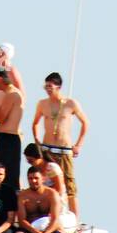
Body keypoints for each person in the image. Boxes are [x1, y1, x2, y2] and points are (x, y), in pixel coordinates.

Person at [31, 71, 89, 217]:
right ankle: (46, 216)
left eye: (50, 86)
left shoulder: (71, 103)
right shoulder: (42, 104)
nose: (47, 89)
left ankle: (75, 221)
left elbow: (85, 123)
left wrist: (78, 145)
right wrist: (37, 140)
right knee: (45, 184)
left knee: (69, 187)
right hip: (47, 150)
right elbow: (35, 123)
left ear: (58, 86)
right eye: (46, 86)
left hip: (64, 150)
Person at [16, 165, 77, 233]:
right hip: (30, 228)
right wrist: (35, 232)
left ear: (43, 179)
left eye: (36, 178)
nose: (33, 181)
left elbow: (55, 218)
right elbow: (21, 220)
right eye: (30, 178)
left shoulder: (52, 194)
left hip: (50, 227)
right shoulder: (23, 196)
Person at [0, 67, 24, 190]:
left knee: (8, 178)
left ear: (0, 79)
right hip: (5, 138)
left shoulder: (12, 94)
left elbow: (1, 118)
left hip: (9, 139)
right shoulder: (9, 94)